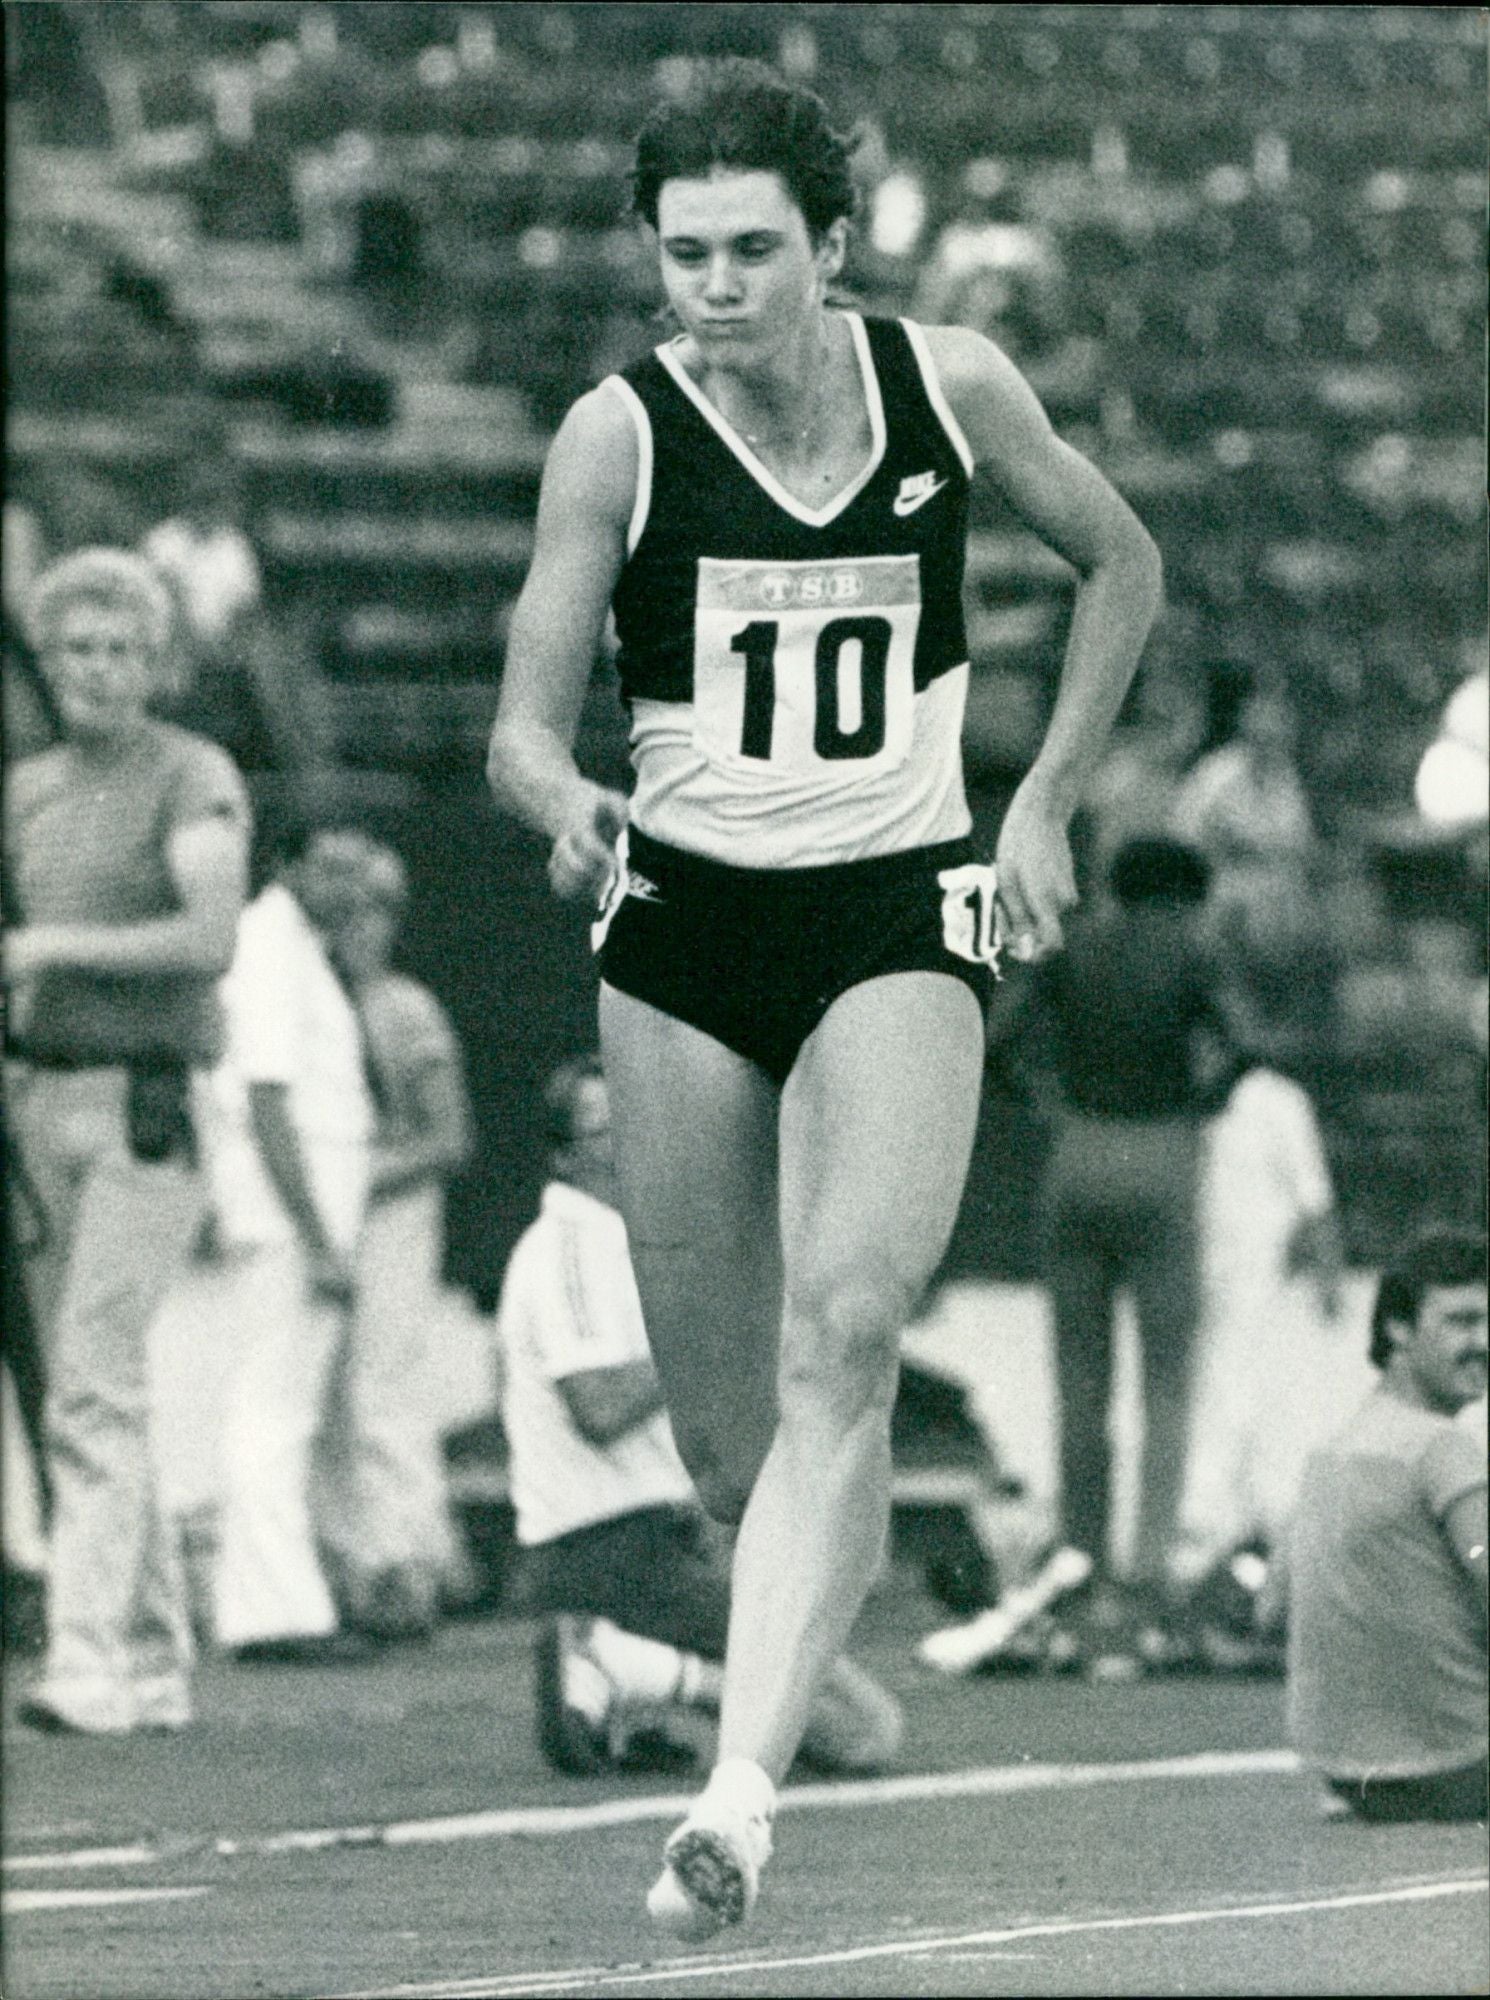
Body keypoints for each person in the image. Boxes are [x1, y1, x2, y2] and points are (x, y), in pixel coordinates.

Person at [485, 58, 1162, 1938]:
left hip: (897, 908)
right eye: (684, 252)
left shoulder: (949, 386)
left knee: (847, 1337)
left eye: (752, 250)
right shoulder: (614, 440)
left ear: (834, 249)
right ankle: (769, 1671)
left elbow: (1123, 560)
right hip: (689, 924)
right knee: (736, 1454)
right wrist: (563, 802)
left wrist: (1040, 804)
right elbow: (520, 735)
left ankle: (741, 1796)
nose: (715, 284)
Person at [3, 549, 250, 1732]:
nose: (96, 672)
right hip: (40, 1103)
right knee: (85, 1387)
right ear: (44, 663)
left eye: (119, 650)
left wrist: (51, 952)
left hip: (143, 1106)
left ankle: (87, 1652)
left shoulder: (190, 773)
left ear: (156, 663)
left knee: (90, 1386)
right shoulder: (28, 788)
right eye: (75, 650)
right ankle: (151, 1650)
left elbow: (209, 937)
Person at [500, 1055, 903, 1780]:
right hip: (609, 1551)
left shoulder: (626, 1241)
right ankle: (622, 1666)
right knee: (863, 1731)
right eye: (606, 1128)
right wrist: (714, 1334)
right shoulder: (569, 1245)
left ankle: (634, 1682)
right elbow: (598, 1406)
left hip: (655, 1539)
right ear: (565, 1157)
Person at [990, 835, 1232, 1673]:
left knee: (1080, 1379)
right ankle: (1146, 1570)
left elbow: (998, 1043)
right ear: (1176, 898)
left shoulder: (1070, 949)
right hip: (1161, 1148)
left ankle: (1080, 1561)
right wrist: (1198, 1102)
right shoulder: (1189, 954)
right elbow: (1242, 1044)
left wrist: (1053, 1107)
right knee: (1165, 1382)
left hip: (1078, 1149)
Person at [198, 825, 378, 1665]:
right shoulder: (269, 943)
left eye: (357, 868)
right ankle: (272, 1612)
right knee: (272, 1409)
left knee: (286, 1409)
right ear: (288, 868)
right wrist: (318, 1239)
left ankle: (287, 1598)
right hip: (287, 1222)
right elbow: (267, 1100)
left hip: (304, 1217)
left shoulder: (301, 947)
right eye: (330, 867)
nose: (347, 884)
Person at [315, 841, 472, 1641]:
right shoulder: (305, 998)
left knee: (385, 1390)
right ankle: (362, 1565)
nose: (354, 931)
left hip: (394, 1216)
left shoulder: (403, 1007)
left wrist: (353, 1176)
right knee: (335, 1396)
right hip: (329, 1219)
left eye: (372, 914)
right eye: (340, 914)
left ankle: (411, 1564)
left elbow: (450, 1138)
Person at [1278, 1228, 1487, 1823]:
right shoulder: (1440, 1447)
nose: (1484, 1342)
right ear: (1397, 1329)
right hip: (1457, 1766)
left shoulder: (1330, 1451)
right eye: (1461, 1322)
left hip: (1347, 1773)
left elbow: (1273, 1608)